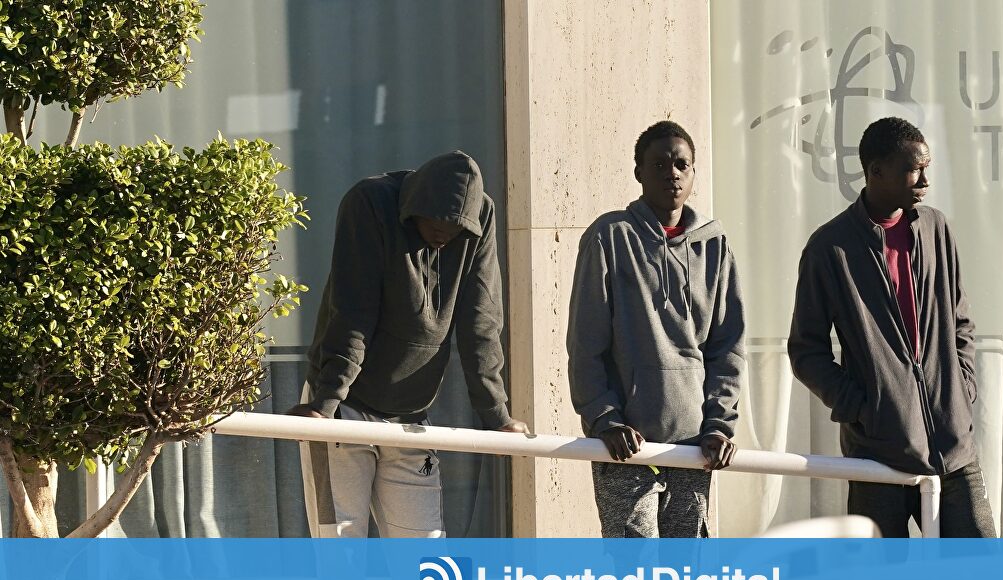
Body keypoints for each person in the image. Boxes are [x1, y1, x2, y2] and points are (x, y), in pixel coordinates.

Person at [288, 150, 528, 538]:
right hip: (341, 408)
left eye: (457, 231)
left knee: (428, 552)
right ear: (416, 205)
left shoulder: (482, 216)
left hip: (412, 415)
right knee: (340, 548)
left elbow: (481, 319)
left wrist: (496, 416)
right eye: (438, 223)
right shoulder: (369, 202)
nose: (445, 235)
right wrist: (324, 404)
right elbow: (352, 308)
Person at [789, 117, 996, 537]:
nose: (925, 179)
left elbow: (961, 322)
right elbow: (806, 352)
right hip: (876, 457)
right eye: (914, 168)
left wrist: (962, 389)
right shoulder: (830, 248)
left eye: (926, 166)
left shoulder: (936, 228)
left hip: (952, 449)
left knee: (981, 574)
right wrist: (864, 410)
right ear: (875, 171)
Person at [567, 120, 745, 538]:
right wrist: (604, 419)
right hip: (625, 447)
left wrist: (719, 425)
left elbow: (728, 348)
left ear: (695, 172)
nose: (673, 172)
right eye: (660, 163)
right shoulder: (609, 238)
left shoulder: (714, 245)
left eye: (682, 164)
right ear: (638, 172)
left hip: (694, 446)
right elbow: (586, 344)